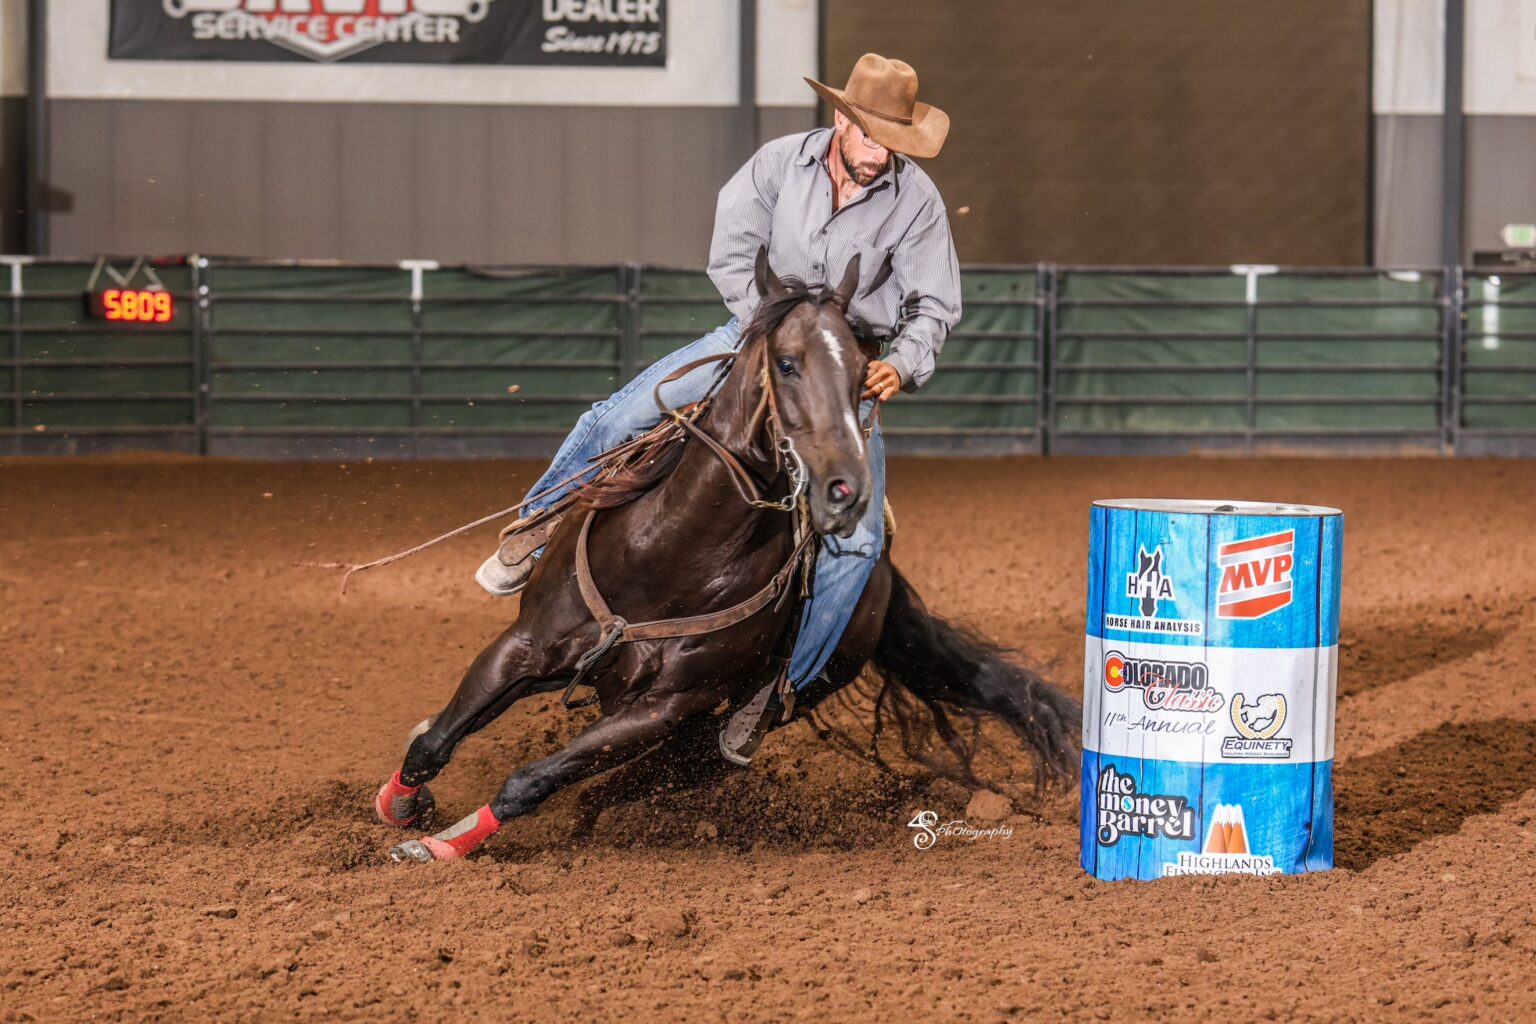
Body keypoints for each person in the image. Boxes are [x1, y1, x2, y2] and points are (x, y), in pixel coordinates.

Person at [476, 52, 961, 728]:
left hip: (843, 371)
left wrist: (904, 364)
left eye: (895, 143)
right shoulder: (776, 165)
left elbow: (934, 305)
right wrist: (768, 329)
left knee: (856, 543)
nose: (882, 156)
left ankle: (774, 695)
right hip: (754, 337)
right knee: (618, 418)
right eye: (873, 137)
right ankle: (535, 525)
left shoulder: (918, 201)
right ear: (841, 119)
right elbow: (730, 258)